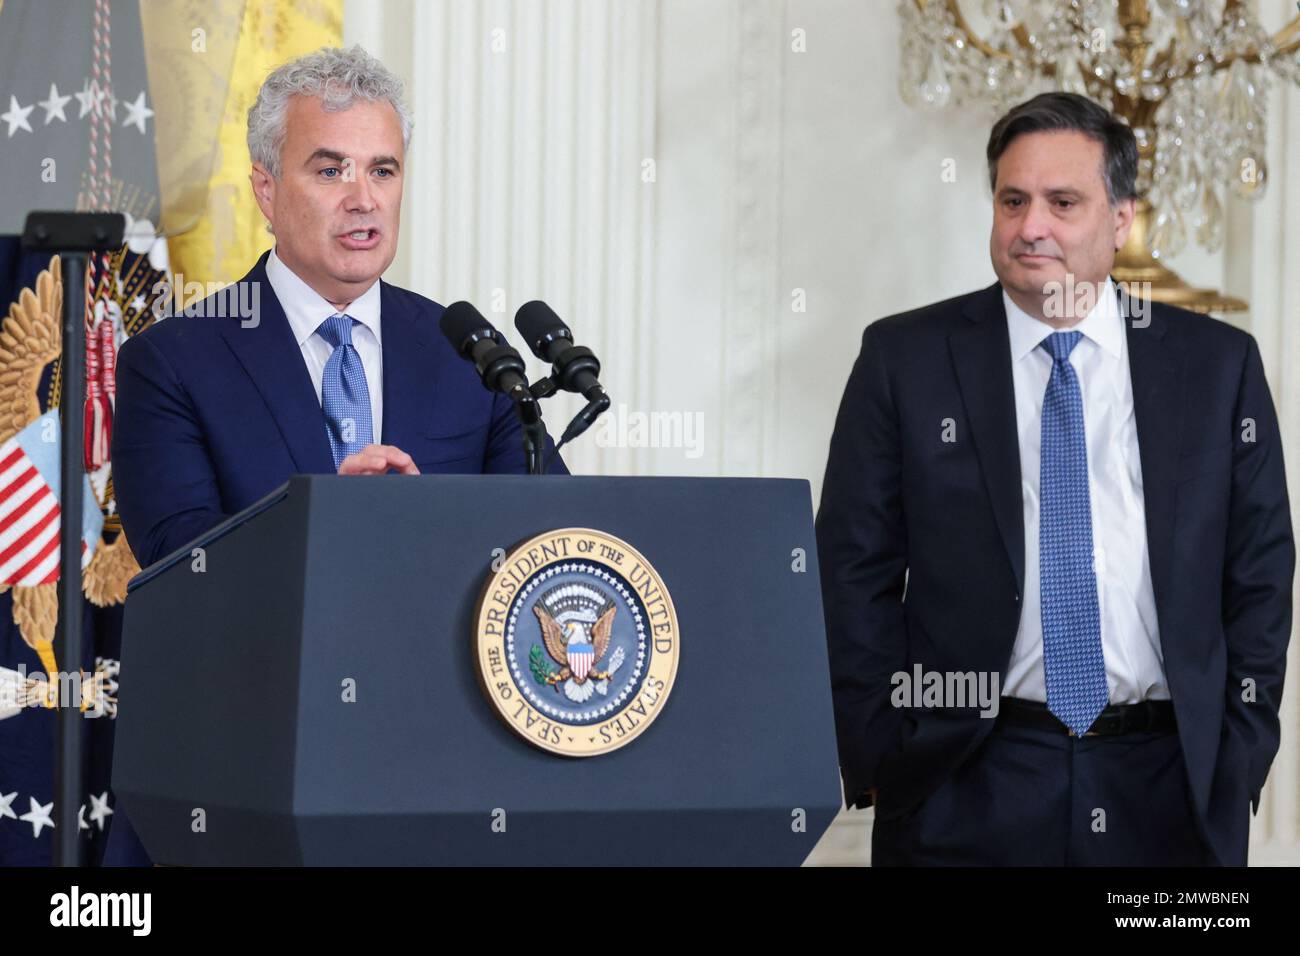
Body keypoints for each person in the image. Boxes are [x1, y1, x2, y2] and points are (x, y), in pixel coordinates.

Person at [816, 91, 1293, 866]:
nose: (1030, 226)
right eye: (1012, 200)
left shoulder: (1215, 366)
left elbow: (1261, 572)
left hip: (1168, 790)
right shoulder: (905, 359)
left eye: (1062, 202)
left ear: (1122, 217)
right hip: (963, 783)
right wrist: (884, 752)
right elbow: (850, 570)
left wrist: (1237, 757)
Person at [113, 45, 565, 571]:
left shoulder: (470, 357)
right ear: (267, 190)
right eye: (331, 172)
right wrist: (326, 520)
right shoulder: (173, 362)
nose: (364, 199)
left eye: (383, 171)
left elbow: (547, 543)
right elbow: (181, 565)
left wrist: (427, 523)